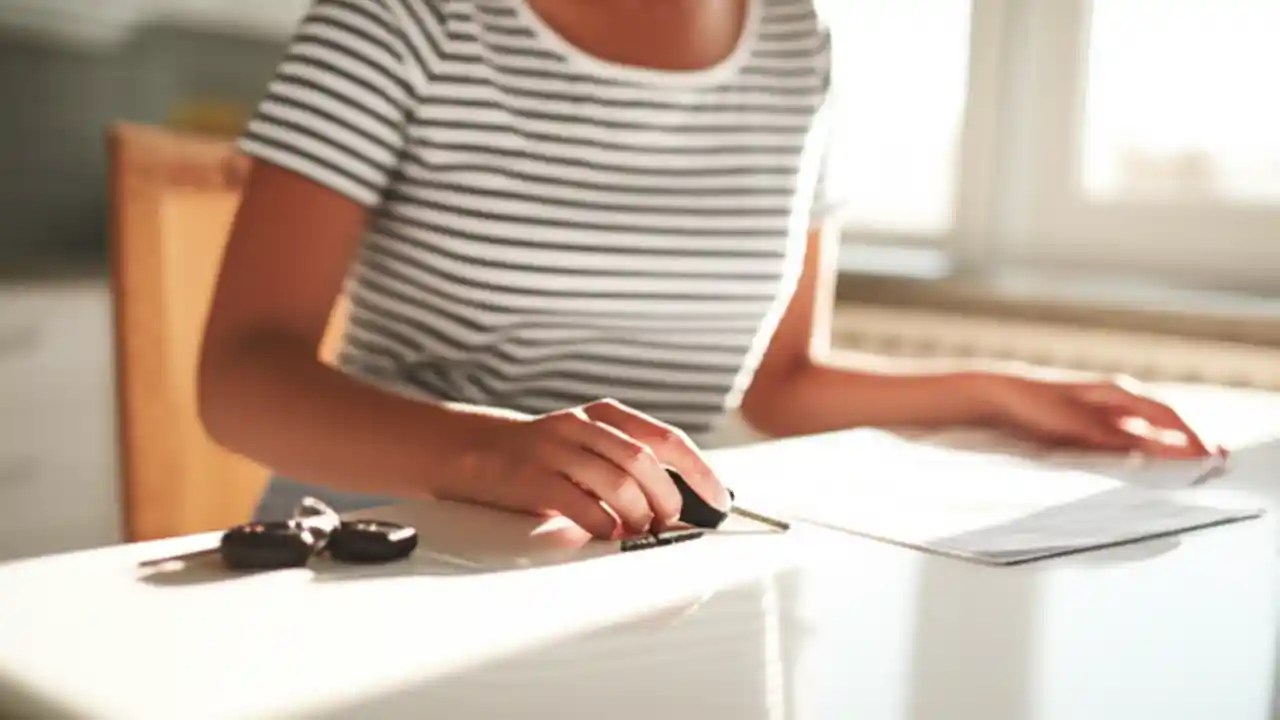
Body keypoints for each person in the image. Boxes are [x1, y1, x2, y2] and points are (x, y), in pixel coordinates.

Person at [198, 0, 1215, 540]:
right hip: (375, 551)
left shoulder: (796, 40)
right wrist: (481, 453)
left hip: (616, 569)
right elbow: (240, 379)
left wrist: (991, 391)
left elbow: (778, 385)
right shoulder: (401, 17)